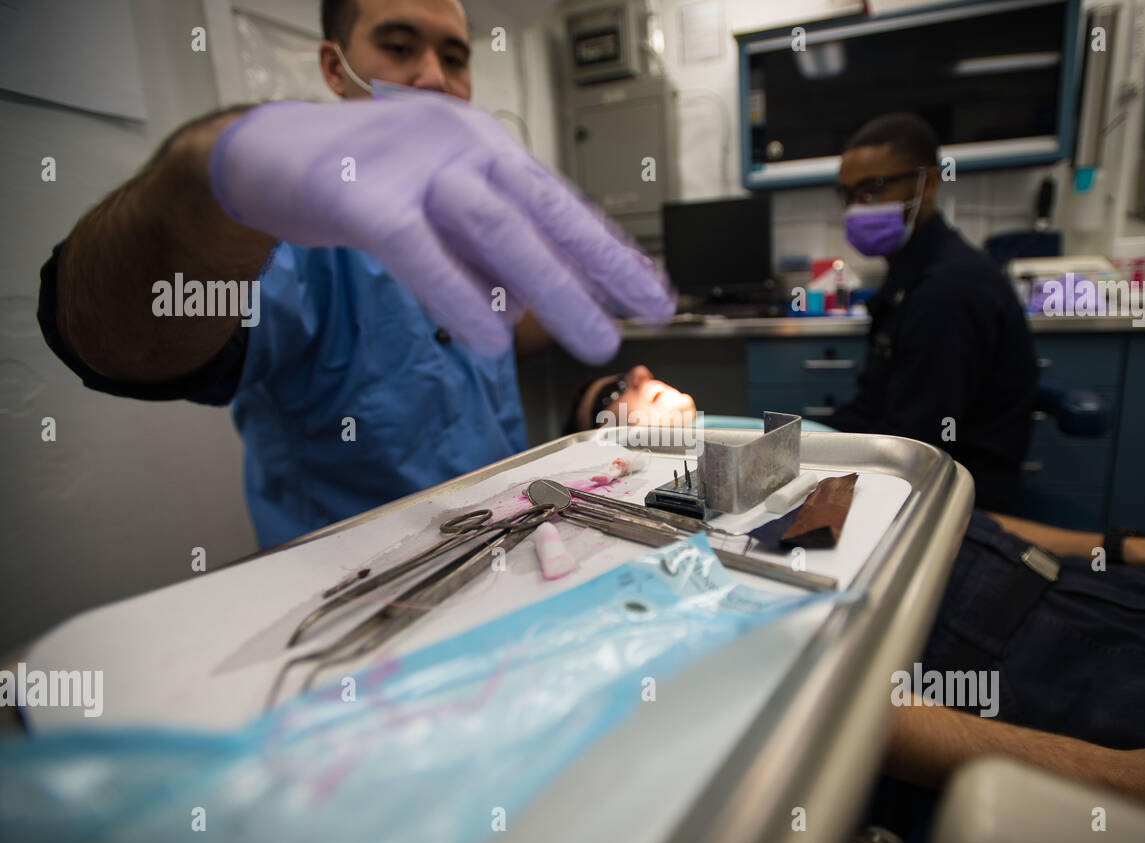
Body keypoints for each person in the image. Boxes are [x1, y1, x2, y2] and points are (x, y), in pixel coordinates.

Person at [35, 0, 684, 548]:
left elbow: (502, 343)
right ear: (333, 68)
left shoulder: (467, 226)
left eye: (455, 59)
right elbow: (114, 341)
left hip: (503, 553)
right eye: (399, 47)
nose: (433, 79)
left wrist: (605, 401)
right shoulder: (288, 243)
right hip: (360, 600)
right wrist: (211, 175)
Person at [882, 504, 1145, 843]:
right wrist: (1123, 780)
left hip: (1098, 579)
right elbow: (826, 705)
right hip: (995, 691)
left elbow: (952, 516)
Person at [827, 113, 1037, 513]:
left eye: (873, 188)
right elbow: (874, 402)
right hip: (913, 467)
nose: (857, 208)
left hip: (957, 498)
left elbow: (918, 442)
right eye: (848, 195)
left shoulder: (948, 290)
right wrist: (796, 442)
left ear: (929, 183)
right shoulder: (910, 276)